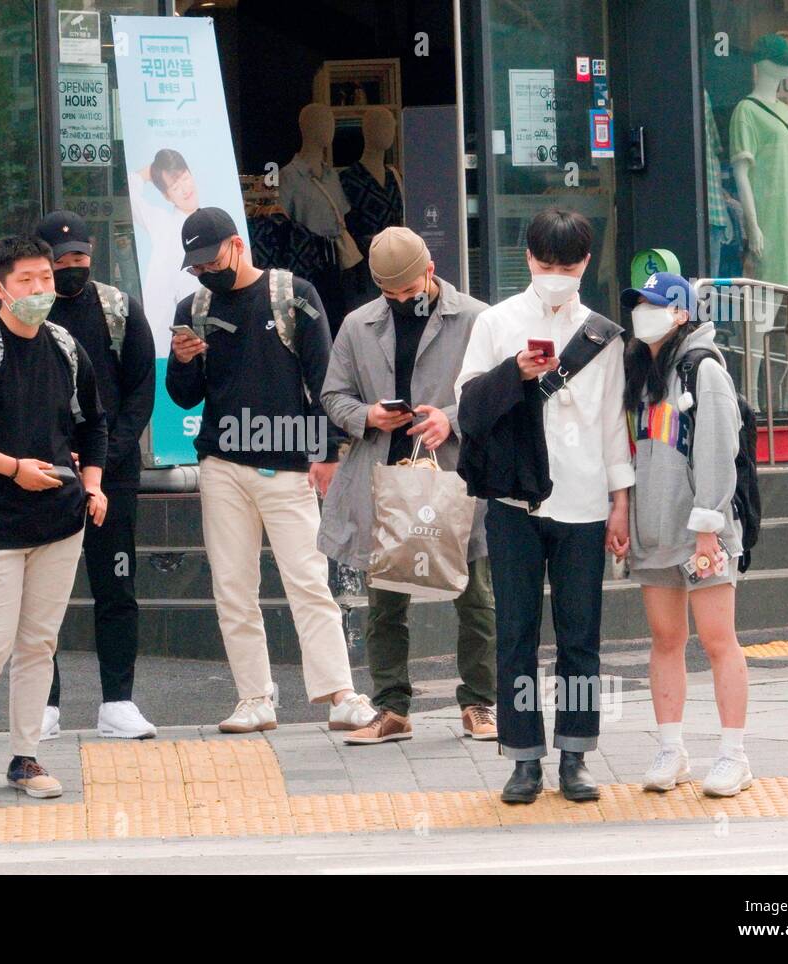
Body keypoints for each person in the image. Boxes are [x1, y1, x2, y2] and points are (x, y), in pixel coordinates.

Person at [166, 206, 374, 733]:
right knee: (232, 586)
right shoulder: (192, 307)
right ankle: (254, 697)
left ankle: (340, 693)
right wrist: (183, 360)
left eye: (210, 260)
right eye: (195, 266)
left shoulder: (293, 294)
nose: (203, 272)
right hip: (219, 461)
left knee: (307, 580)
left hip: (286, 463)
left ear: (236, 245)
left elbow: (325, 378)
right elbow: (184, 397)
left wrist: (327, 454)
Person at [454, 208, 633, 804]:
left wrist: (620, 502)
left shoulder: (603, 335)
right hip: (514, 499)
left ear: (585, 263)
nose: (557, 274)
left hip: (584, 502)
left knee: (582, 636)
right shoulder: (496, 323)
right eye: (547, 263)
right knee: (516, 633)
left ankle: (576, 754)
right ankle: (523, 758)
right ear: (528, 259)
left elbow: (613, 424)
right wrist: (516, 374)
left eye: (568, 264)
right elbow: (467, 404)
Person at [0, 236, 108, 803]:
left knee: (39, 644)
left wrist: (94, 486)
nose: (40, 289)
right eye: (26, 280)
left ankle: (25, 757)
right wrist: (12, 469)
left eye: (45, 278)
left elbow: (94, 424)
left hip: (61, 518)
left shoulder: (64, 345)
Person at [317, 227, 497, 745]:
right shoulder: (358, 324)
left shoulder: (477, 319)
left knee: (475, 596)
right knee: (384, 601)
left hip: (455, 476)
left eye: (408, 291)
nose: (400, 301)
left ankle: (480, 703)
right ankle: (391, 707)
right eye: (389, 294)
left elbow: (500, 393)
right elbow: (333, 395)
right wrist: (369, 415)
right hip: (385, 478)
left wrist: (451, 419)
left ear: (430, 270)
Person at [619, 272, 752, 797]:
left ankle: (733, 755)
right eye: (637, 304)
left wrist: (708, 529)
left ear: (680, 314)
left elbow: (720, 455)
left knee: (719, 641)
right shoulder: (643, 371)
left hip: (702, 534)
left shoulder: (703, 370)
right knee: (665, 640)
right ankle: (671, 749)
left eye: (651, 304)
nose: (639, 313)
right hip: (655, 531)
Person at [34, 211, 157, 740]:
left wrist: (104, 461)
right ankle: (46, 702)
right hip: (45, 473)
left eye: (79, 257)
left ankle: (119, 701)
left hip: (113, 475)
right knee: (43, 594)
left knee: (116, 585)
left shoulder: (118, 308)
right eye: (60, 260)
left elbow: (140, 391)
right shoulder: (26, 313)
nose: (71, 267)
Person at [129, 149, 203, 351]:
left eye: (185, 178)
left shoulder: (214, 221)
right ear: (166, 196)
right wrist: (151, 171)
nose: (185, 189)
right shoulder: (163, 223)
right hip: (171, 342)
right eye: (175, 186)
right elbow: (129, 189)